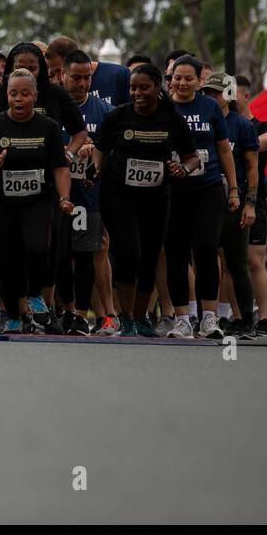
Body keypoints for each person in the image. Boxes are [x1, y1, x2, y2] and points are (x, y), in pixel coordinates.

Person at [92, 64, 199, 337]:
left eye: (143, 88)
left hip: (156, 196)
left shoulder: (171, 119)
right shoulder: (118, 117)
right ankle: (125, 316)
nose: (137, 93)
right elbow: (100, 149)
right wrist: (95, 169)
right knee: (128, 251)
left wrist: (183, 169)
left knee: (150, 257)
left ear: (157, 87)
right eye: (133, 88)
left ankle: (141, 318)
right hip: (119, 194)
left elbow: (191, 156)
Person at [0, 69, 72, 334]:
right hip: (1, 202)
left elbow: (60, 167)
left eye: (25, 94)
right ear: (7, 95)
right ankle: (14, 316)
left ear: (35, 96)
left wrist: (64, 198)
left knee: (38, 247)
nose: (19, 99)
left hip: (37, 199)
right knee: (5, 258)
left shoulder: (48, 127)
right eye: (13, 93)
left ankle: (34, 294)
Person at [164, 56, 237, 339]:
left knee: (207, 249)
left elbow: (224, 150)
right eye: (177, 78)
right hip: (172, 191)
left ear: (200, 80)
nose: (182, 83)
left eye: (188, 78)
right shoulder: (163, 108)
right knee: (176, 254)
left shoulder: (210, 107)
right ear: (170, 80)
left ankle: (209, 318)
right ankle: (183, 319)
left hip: (206, 188)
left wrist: (233, 189)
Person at [52, 49, 112, 336]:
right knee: (60, 255)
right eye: (76, 77)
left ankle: (81, 315)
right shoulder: (52, 105)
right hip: (56, 195)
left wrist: (95, 152)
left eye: (87, 77)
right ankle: (65, 309)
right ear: (62, 75)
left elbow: (112, 149)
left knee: (87, 253)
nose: (82, 83)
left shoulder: (102, 110)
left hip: (88, 196)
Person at [202, 72, 257, 339]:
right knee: (206, 260)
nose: (211, 98)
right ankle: (208, 317)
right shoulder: (200, 123)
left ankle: (246, 319)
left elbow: (252, 167)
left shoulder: (242, 126)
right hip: (205, 200)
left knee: (236, 264)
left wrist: (250, 203)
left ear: (228, 95)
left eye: (216, 93)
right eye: (208, 93)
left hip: (234, 203)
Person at [236, 75, 267, 336]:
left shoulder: (260, 125)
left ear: (246, 95)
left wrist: (239, 148)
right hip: (224, 201)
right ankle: (238, 317)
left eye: (233, 92)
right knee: (230, 263)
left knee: (254, 260)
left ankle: (265, 318)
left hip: (254, 200)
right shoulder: (223, 125)